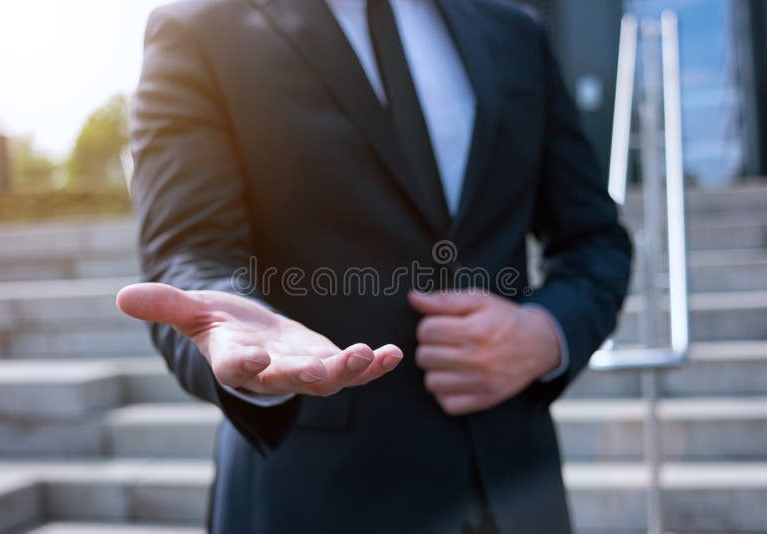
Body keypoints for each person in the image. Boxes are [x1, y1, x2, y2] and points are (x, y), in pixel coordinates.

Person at [116, 0, 632, 532]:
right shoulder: (200, 29)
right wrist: (239, 331)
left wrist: (546, 331)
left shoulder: (513, 28)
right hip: (315, 496)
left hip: (516, 490)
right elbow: (190, 250)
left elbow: (594, 239)